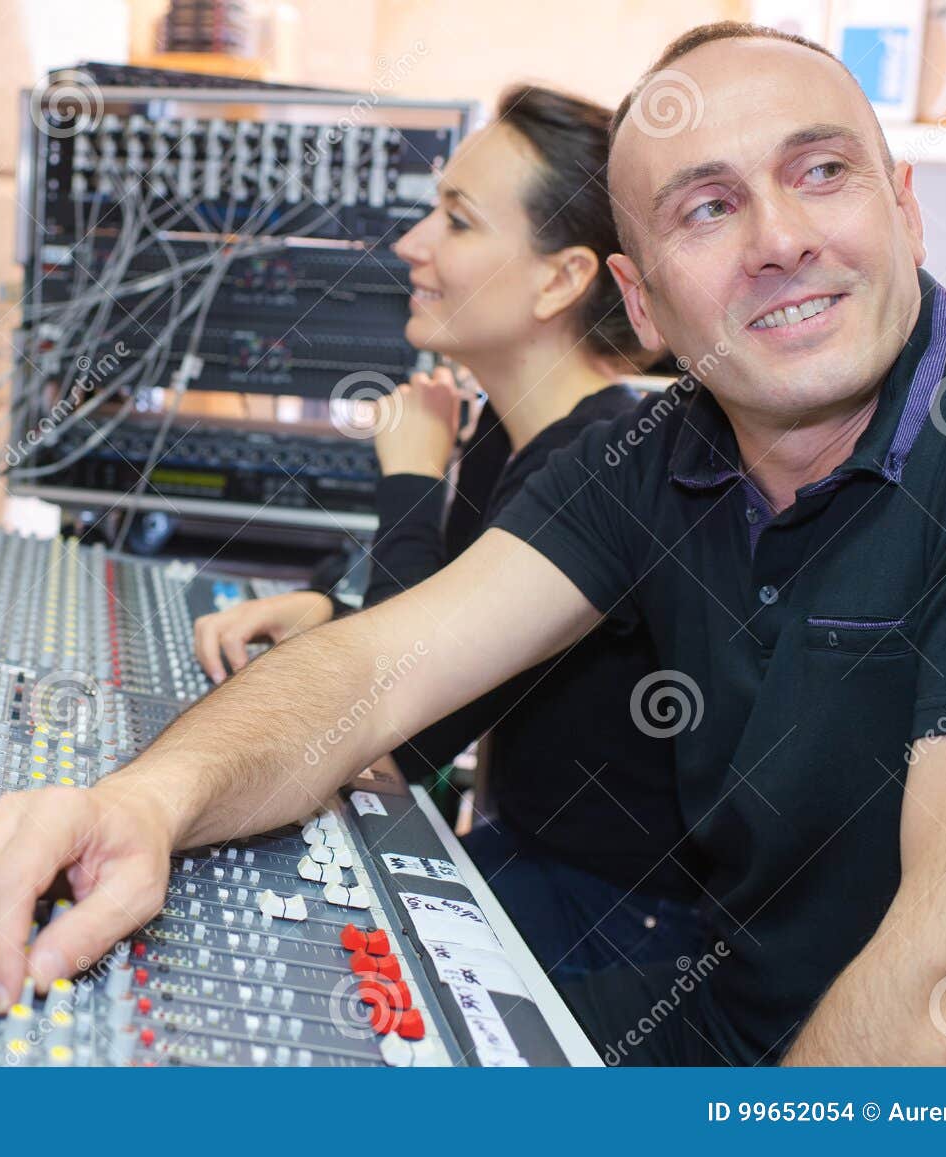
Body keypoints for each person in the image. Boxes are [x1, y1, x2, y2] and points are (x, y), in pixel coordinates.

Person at [0, 23, 946, 1067]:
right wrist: (143, 802)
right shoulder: (662, 449)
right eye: (705, 209)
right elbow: (377, 673)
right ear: (644, 301)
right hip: (733, 1025)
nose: (781, 239)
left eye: (821, 172)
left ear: (904, 207)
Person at [190, 85, 702, 982]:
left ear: (561, 278)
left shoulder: (607, 457)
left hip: (613, 928)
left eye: (457, 222)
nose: (412, 246)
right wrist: (331, 605)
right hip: (525, 857)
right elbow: (441, 630)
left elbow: (405, 731)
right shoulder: (517, 432)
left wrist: (412, 474)